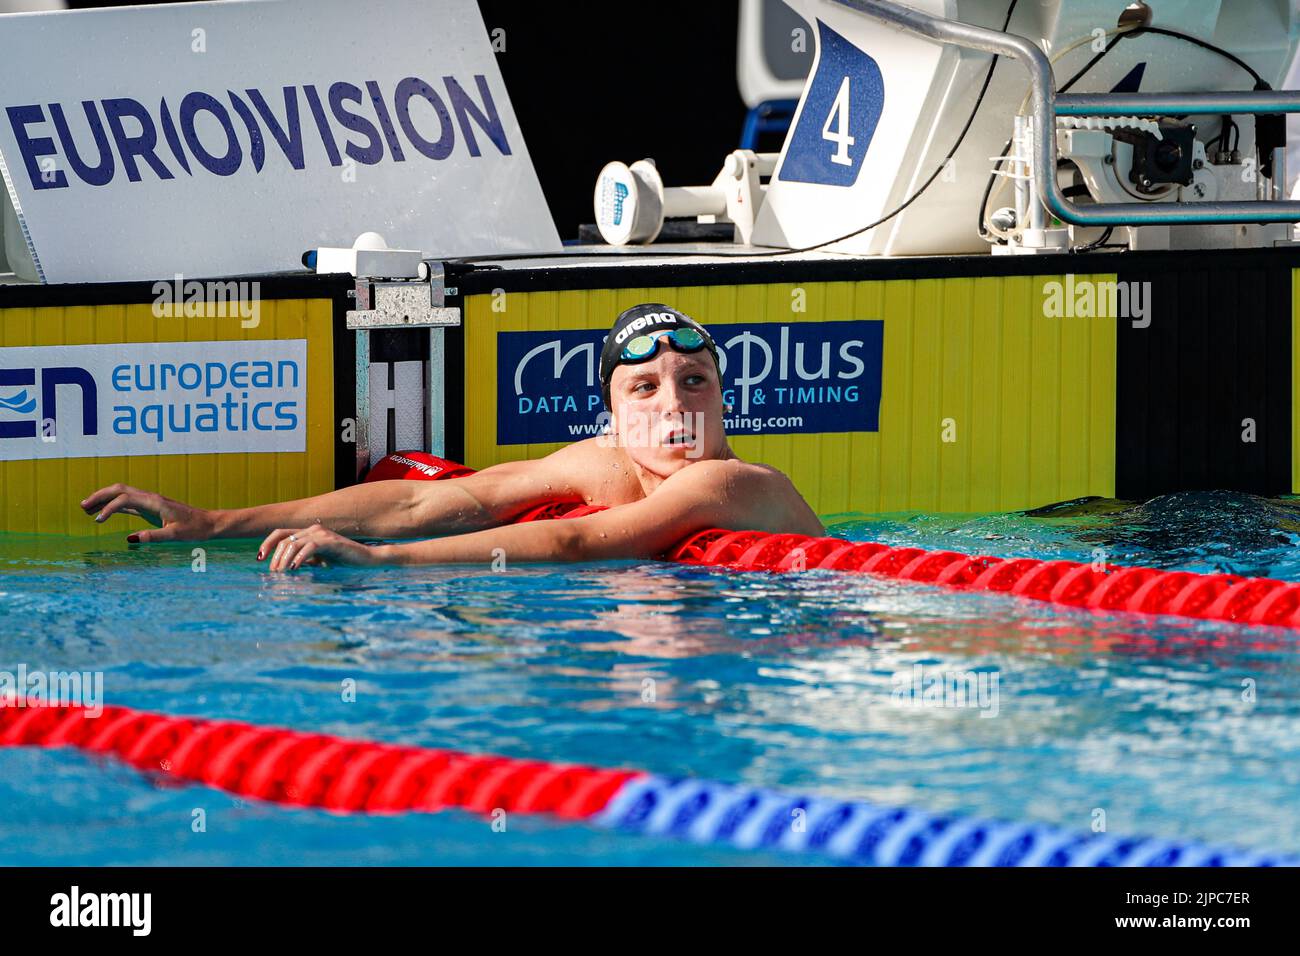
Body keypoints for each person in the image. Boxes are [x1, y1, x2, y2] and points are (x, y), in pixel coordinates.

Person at [79, 304, 825, 570]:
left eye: (696, 380)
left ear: (725, 398)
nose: (675, 404)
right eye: (646, 386)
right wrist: (214, 523)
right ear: (612, 412)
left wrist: (377, 564)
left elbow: (575, 545)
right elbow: (432, 504)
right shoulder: (601, 465)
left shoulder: (729, 482)